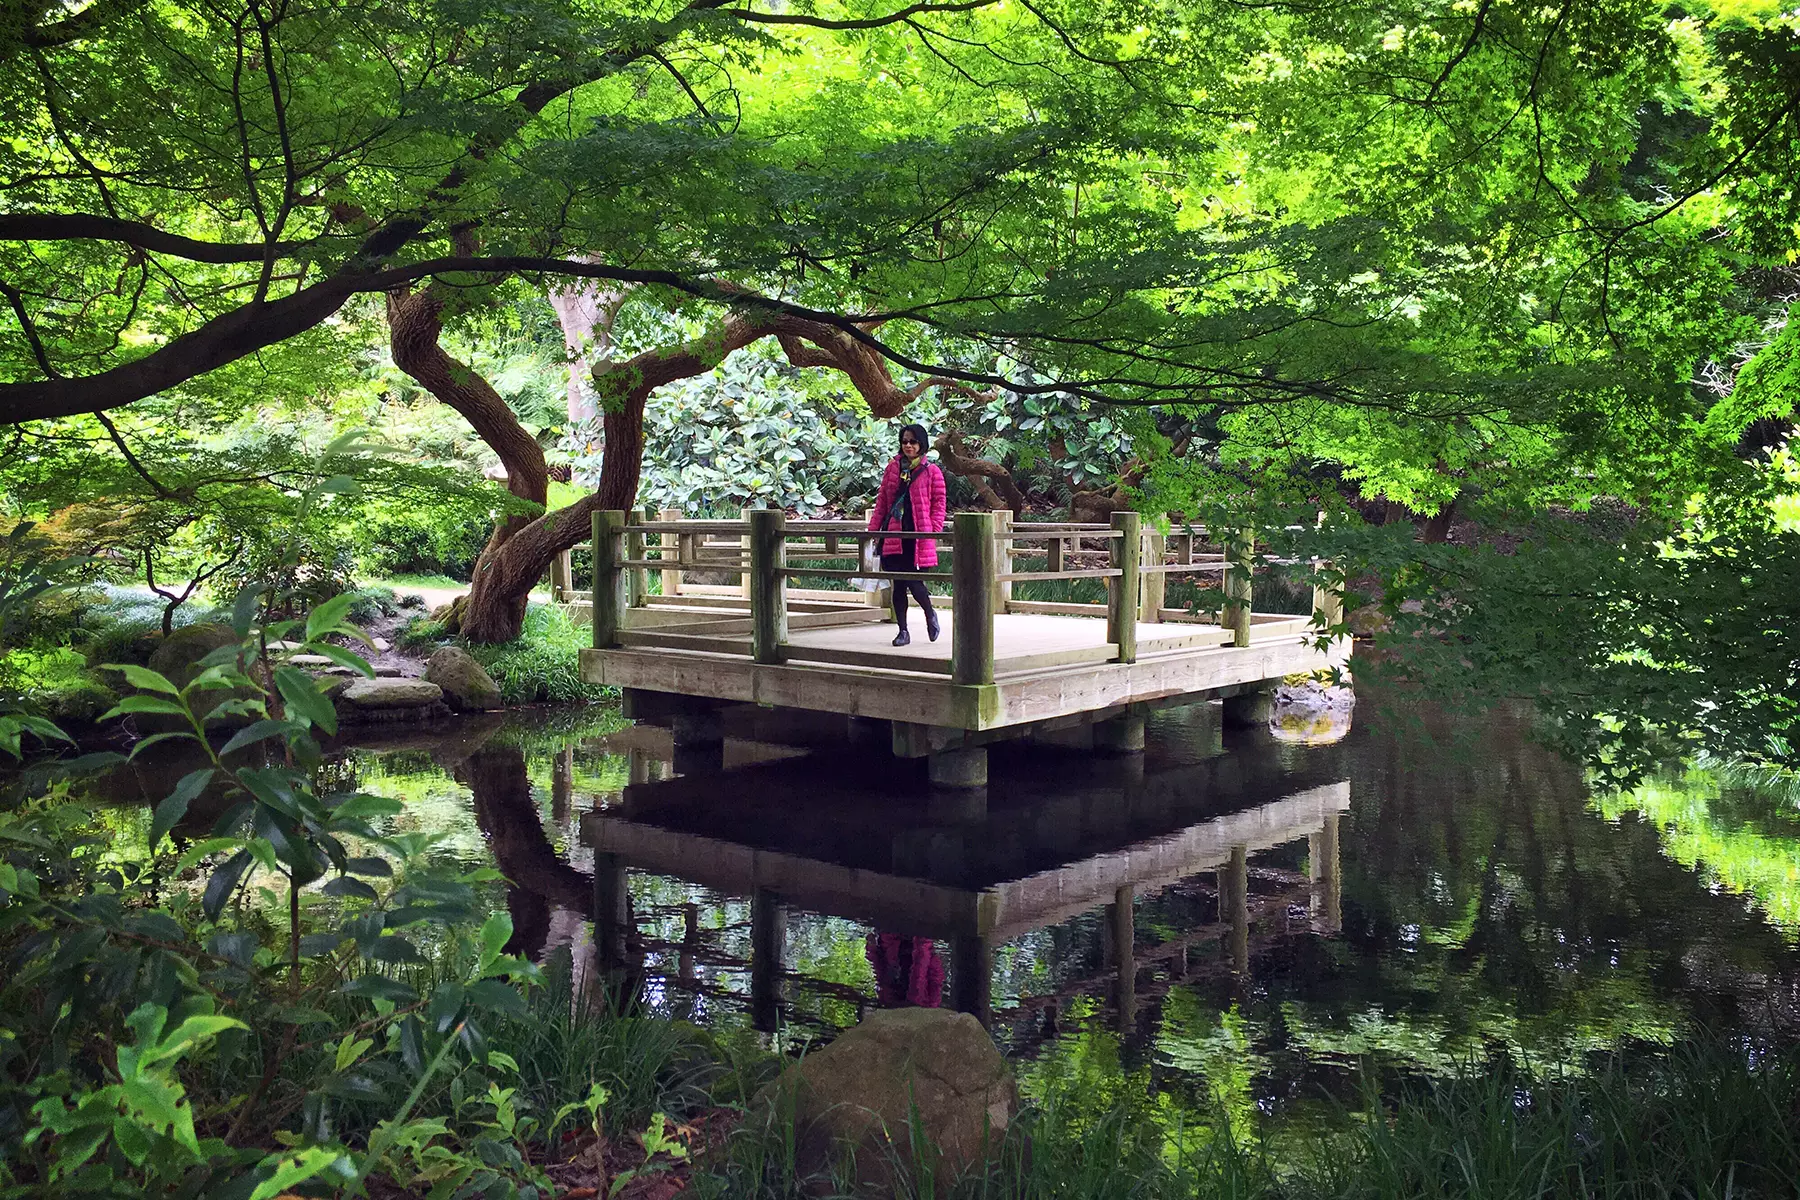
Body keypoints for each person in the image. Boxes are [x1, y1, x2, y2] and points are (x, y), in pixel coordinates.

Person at [868, 423, 947, 646]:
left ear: (922, 444)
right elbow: (882, 501)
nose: (908, 445)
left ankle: (930, 615)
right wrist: (873, 530)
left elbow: (939, 504)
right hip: (894, 533)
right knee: (899, 583)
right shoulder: (893, 469)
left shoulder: (932, 471)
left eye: (913, 441)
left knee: (915, 581)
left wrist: (933, 529)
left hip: (918, 535)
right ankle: (903, 631)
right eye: (905, 442)